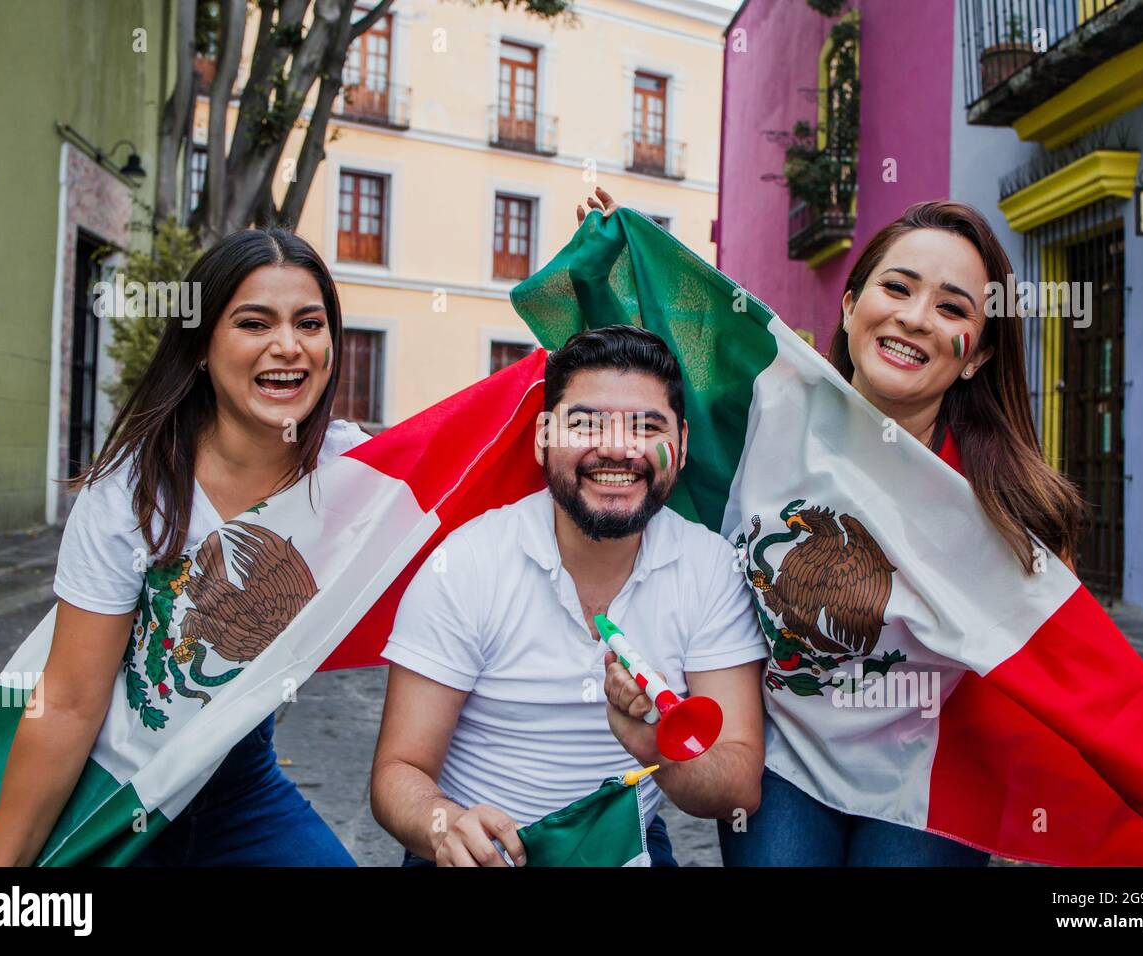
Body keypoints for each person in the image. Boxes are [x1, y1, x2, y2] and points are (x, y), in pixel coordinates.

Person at [707, 198, 1087, 866]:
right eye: (898, 287)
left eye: (952, 308)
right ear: (851, 307)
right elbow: (643, 389)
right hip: (784, 758)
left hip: (931, 779)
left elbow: (1062, 674)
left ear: (976, 355)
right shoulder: (758, 412)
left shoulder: (1009, 505)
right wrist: (610, 264)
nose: (915, 318)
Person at [0, 228, 365, 867]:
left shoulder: (361, 473)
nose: (288, 346)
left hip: (242, 791)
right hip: (115, 799)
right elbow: (71, 703)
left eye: (310, 322)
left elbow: (505, 453)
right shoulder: (131, 492)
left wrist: (582, 296)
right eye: (253, 322)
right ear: (201, 350)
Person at [370, 324, 768, 866]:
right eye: (585, 423)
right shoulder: (464, 563)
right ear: (542, 437)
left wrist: (658, 747)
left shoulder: (711, 568)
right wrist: (444, 826)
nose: (617, 449)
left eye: (647, 425)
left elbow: (738, 785)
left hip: (626, 848)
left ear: (680, 445)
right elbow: (398, 771)